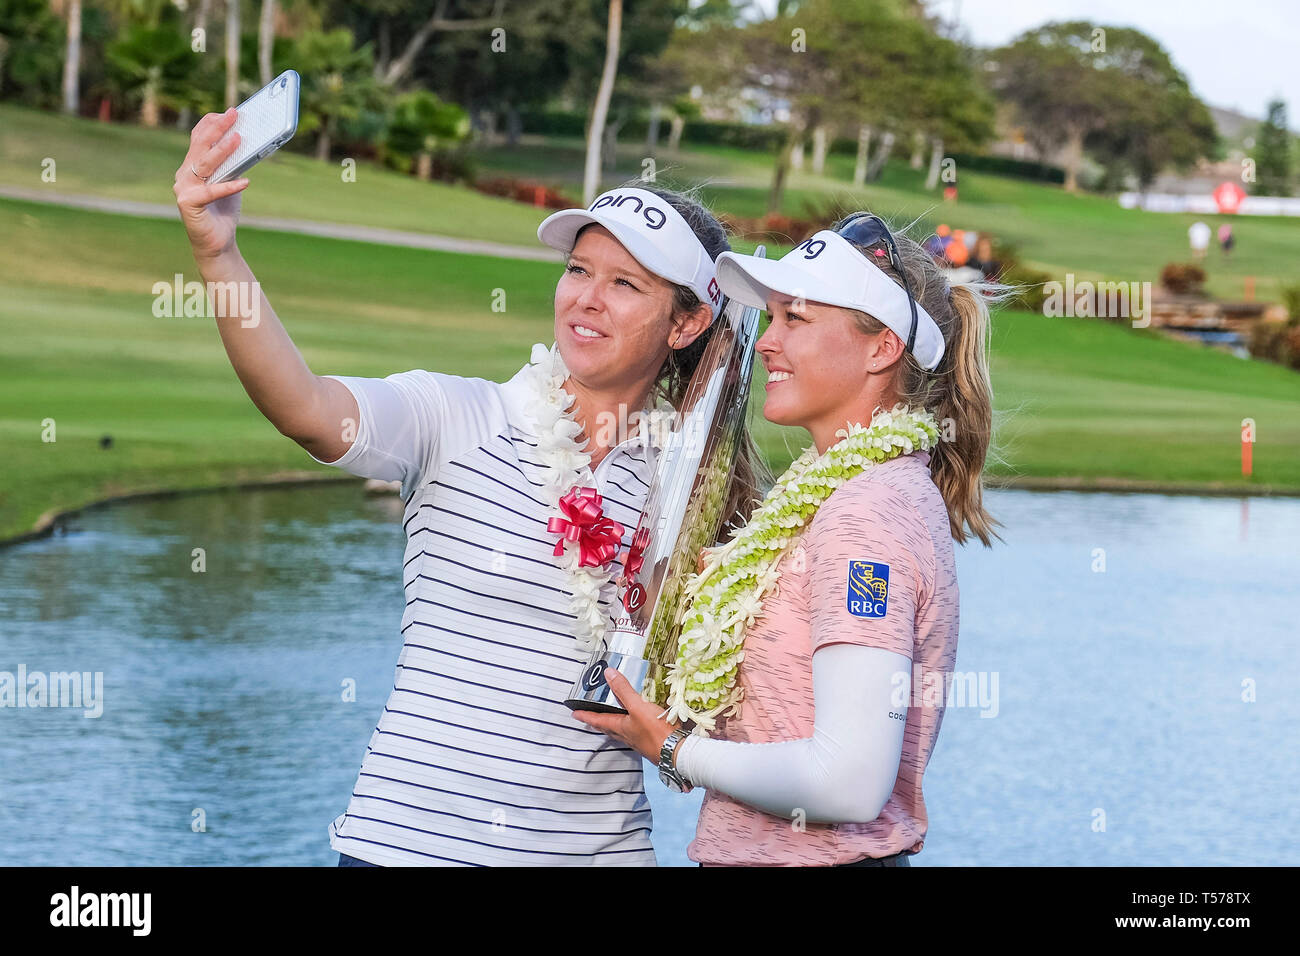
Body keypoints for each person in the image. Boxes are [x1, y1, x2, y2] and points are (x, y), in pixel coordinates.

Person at [172, 107, 768, 866]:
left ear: (685, 324)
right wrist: (219, 254)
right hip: (408, 846)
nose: (585, 298)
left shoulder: (695, 492)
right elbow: (306, 409)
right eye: (578, 270)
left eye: (625, 284)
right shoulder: (455, 415)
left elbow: (717, 710)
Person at [574, 212, 1001, 866]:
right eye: (769, 319)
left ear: (882, 348)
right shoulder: (837, 490)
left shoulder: (868, 514)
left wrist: (670, 747)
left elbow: (849, 782)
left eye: (794, 320)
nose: (767, 343)